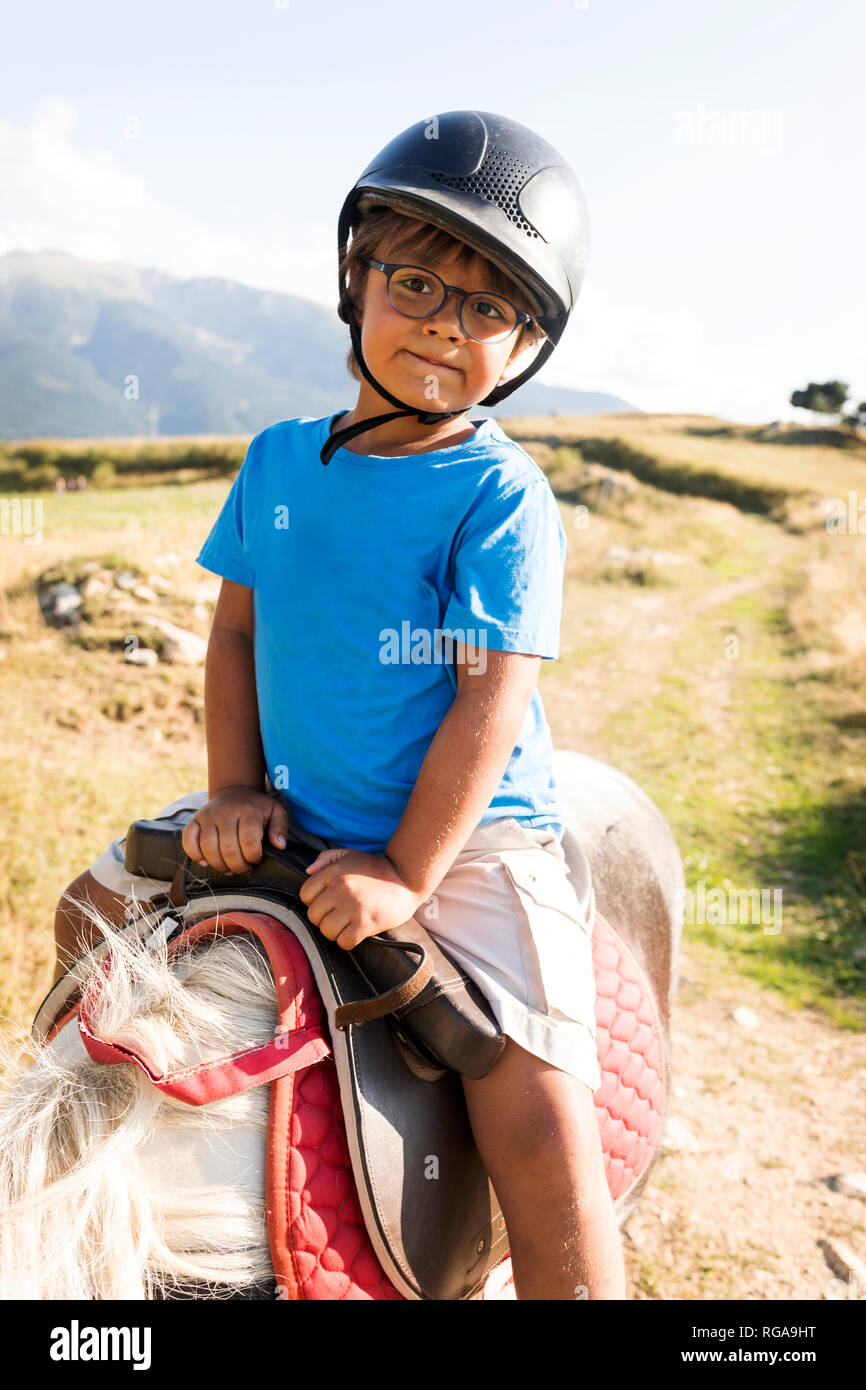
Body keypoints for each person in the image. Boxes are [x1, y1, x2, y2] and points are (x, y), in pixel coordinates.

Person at [52, 110, 625, 1300]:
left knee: (533, 1093)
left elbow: (488, 702)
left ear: (525, 345)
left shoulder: (498, 494)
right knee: (88, 902)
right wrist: (233, 788)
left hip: (466, 846)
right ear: (353, 277)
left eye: (488, 309)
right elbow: (238, 631)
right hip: (298, 809)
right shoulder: (274, 461)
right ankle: (79, 1151)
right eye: (416, 281)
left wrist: (408, 874)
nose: (443, 325)